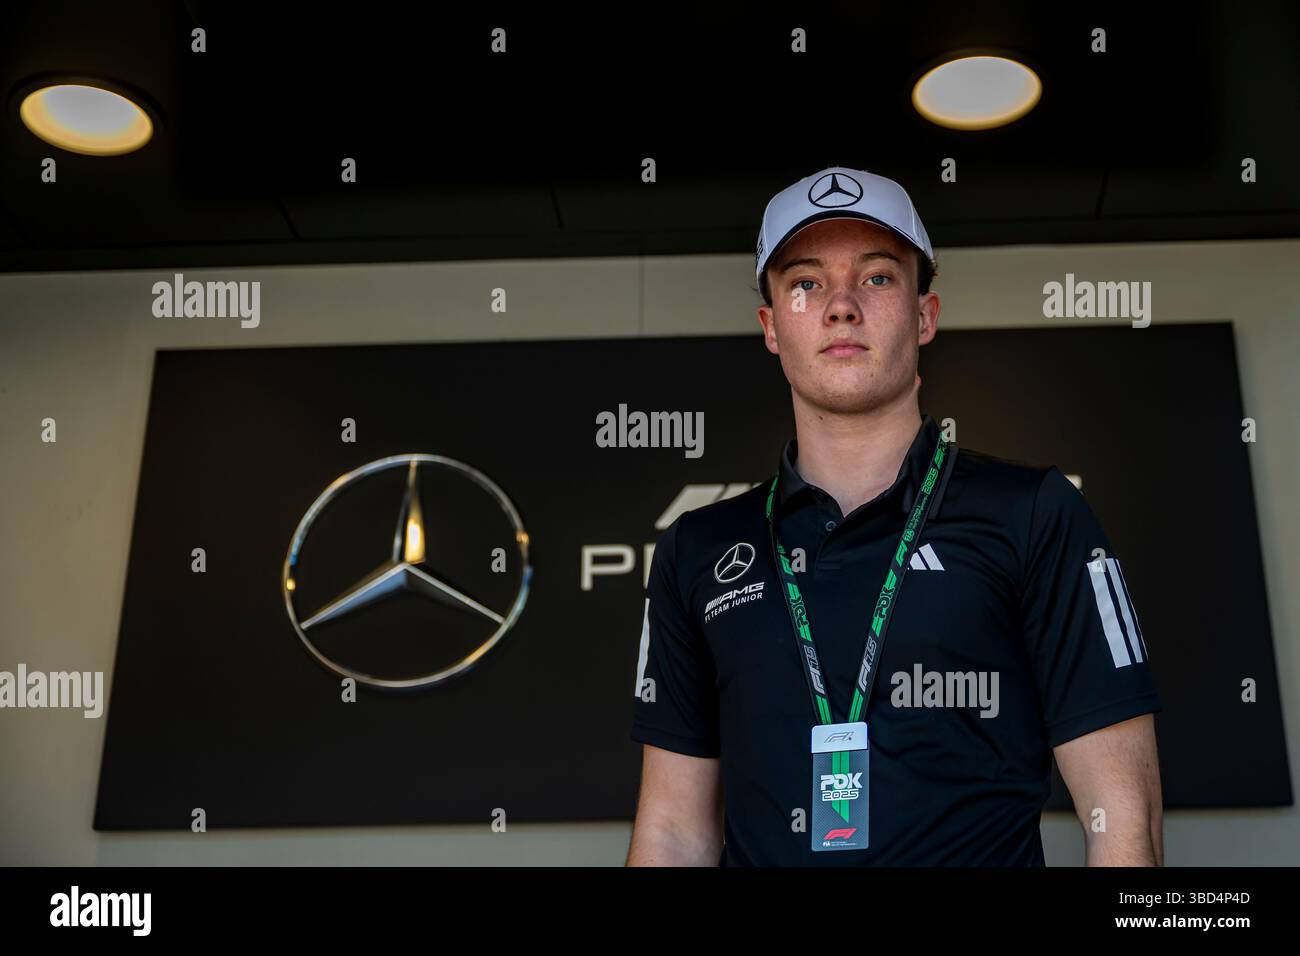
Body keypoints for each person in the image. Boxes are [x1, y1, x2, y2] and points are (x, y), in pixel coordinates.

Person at [626, 166, 1163, 866]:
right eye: (806, 283)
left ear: (925, 315)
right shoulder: (698, 547)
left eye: (877, 277)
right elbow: (672, 833)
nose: (841, 306)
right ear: (771, 326)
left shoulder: (1034, 511)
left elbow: (1122, 818)